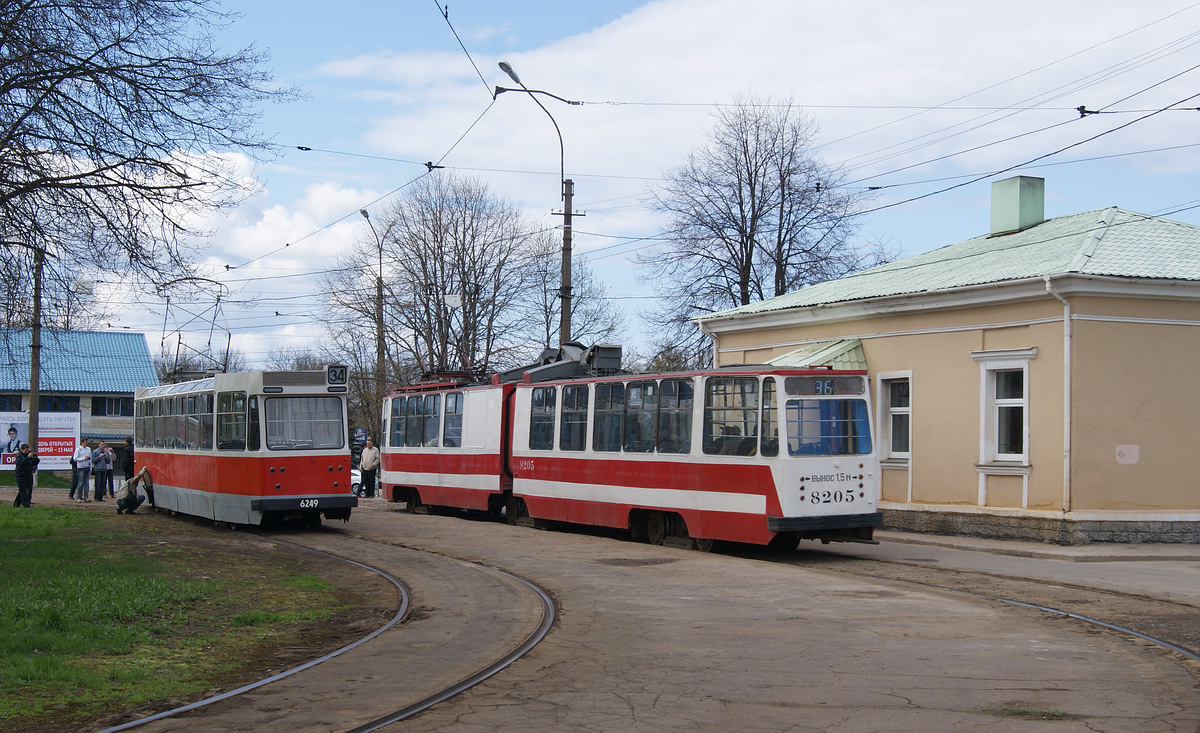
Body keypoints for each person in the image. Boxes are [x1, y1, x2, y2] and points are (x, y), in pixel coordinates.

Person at [12, 444, 38, 508]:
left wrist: (35, 458)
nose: (27, 452)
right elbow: (21, 463)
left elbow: (34, 463)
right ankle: (26, 506)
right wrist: (28, 457)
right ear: (22, 449)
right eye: (25, 450)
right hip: (20, 475)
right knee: (23, 491)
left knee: (26, 490)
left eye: (27, 450)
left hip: (28, 475)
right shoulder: (19, 456)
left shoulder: (29, 456)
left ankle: (16, 504)